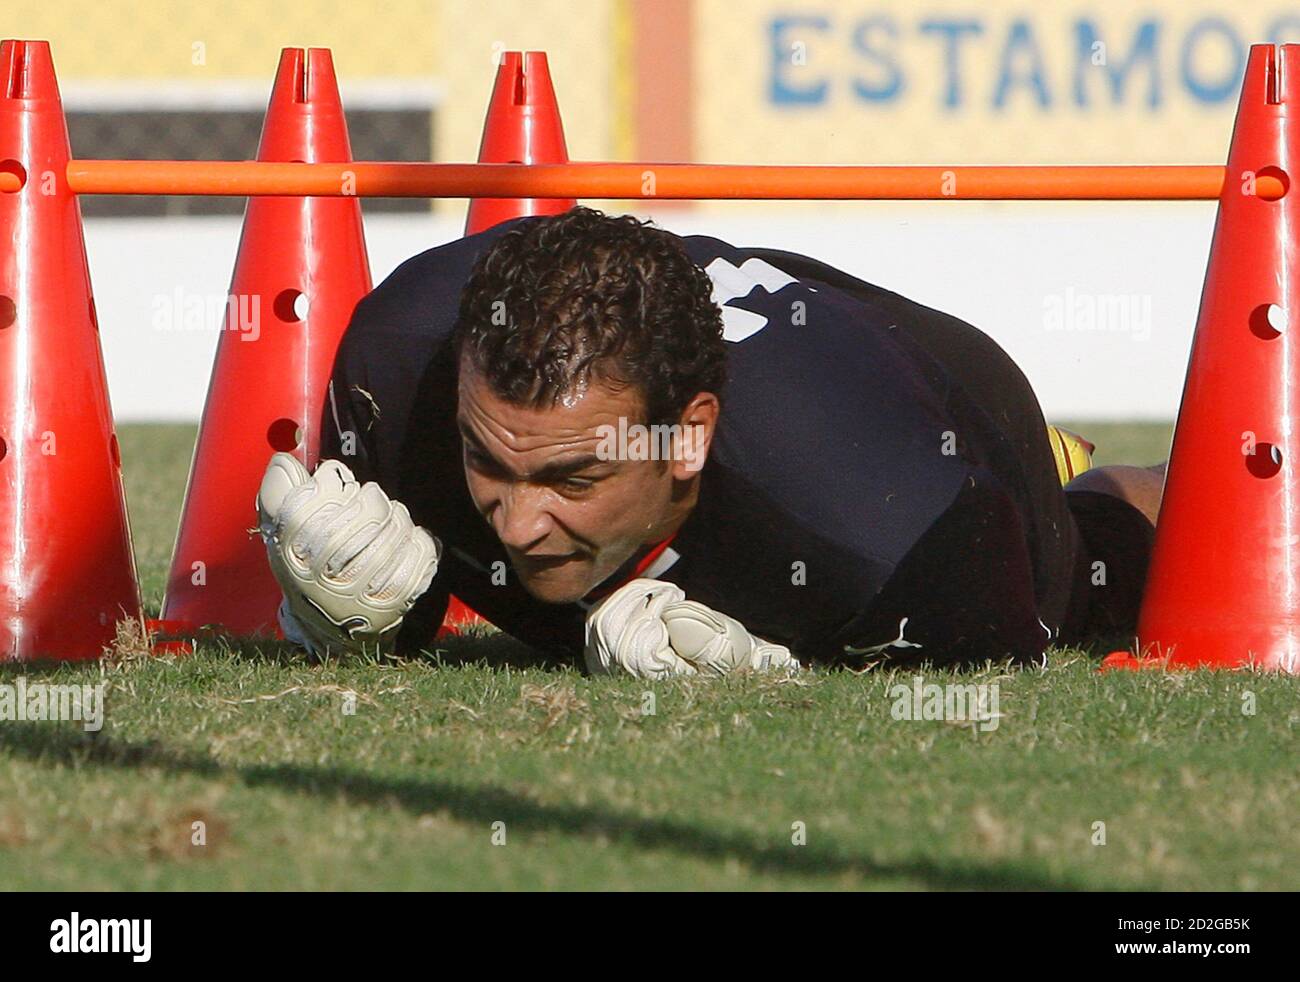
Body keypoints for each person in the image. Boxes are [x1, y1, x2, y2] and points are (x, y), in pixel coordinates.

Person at [256, 207, 1162, 678]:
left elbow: (995, 674)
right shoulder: (401, 361)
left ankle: (1083, 468)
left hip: (936, 409)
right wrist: (330, 611)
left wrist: (781, 669)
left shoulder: (894, 525)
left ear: (688, 438)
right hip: (743, 327)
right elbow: (401, 617)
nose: (519, 526)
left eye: (574, 477)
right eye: (488, 463)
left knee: (1118, 544)